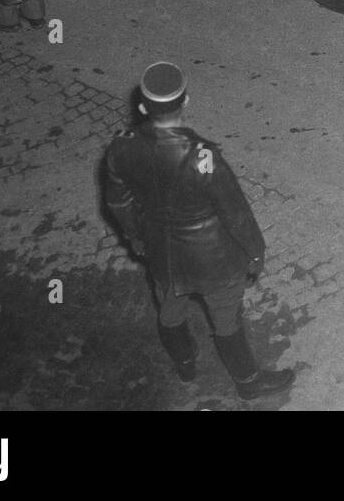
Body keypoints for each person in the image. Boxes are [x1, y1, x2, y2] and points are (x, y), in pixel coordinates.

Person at [104, 62, 296, 402]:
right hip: (214, 259)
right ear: (186, 101)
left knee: (169, 308)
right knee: (226, 319)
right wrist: (255, 251)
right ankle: (248, 381)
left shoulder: (120, 148)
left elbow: (119, 204)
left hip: (162, 253)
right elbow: (234, 212)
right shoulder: (202, 156)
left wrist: (137, 239)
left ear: (144, 107)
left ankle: (185, 364)